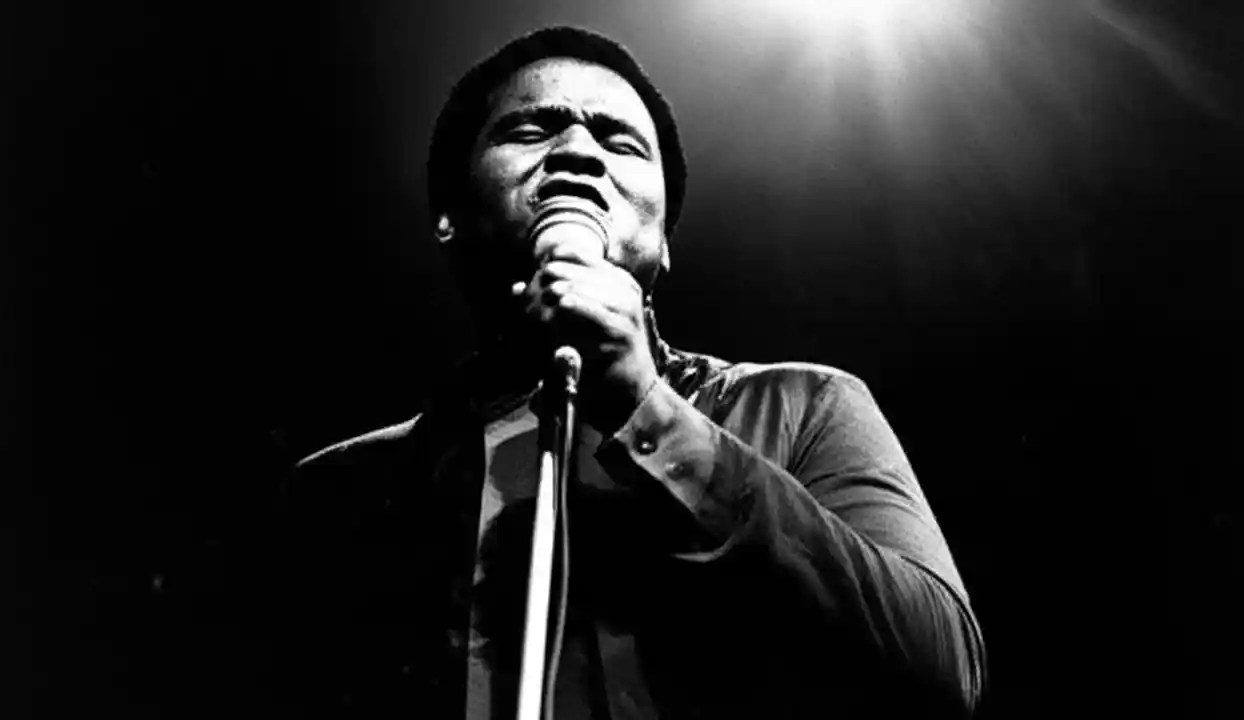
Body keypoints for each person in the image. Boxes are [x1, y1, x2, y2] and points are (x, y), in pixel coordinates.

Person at [272, 25, 986, 719]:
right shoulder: (343, 490)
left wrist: (649, 410)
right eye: (529, 131)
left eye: (620, 142)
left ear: (665, 240)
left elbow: (939, 668)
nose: (578, 153)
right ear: (450, 216)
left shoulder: (807, 404)